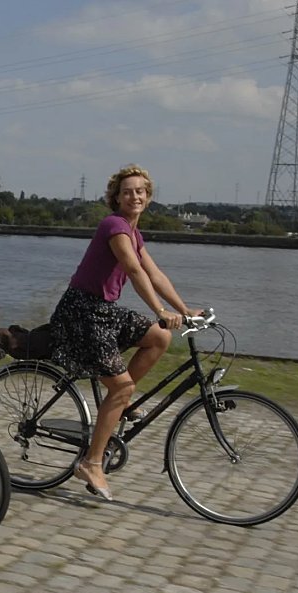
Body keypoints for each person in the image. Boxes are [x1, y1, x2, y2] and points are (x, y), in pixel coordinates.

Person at [49, 164, 197, 501]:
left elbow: (154, 273)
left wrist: (186, 310)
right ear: (116, 197)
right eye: (128, 191)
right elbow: (132, 268)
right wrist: (160, 311)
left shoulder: (134, 232)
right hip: (82, 312)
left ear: (148, 197)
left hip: (104, 312)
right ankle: (91, 462)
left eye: (141, 191)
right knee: (121, 385)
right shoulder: (114, 225)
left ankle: (121, 400)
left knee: (160, 337)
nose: (135, 196)